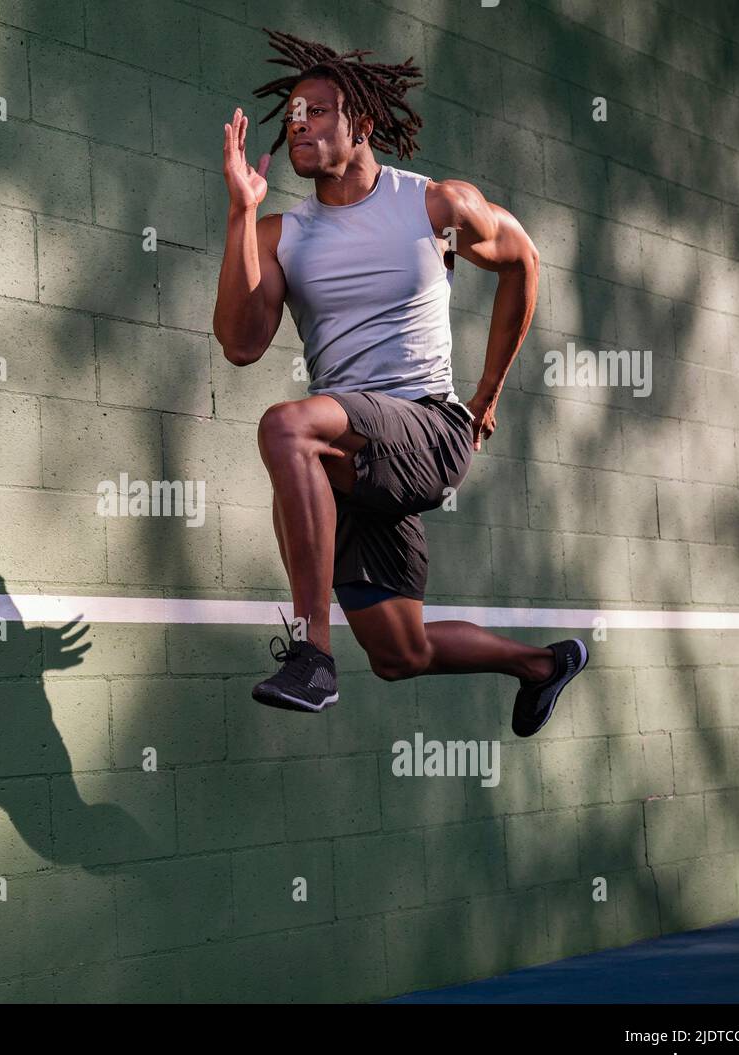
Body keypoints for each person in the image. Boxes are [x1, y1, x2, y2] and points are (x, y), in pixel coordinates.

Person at [212, 29, 587, 736]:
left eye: (318, 110)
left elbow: (523, 262)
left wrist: (488, 394)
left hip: (428, 429)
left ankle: (311, 655)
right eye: (293, 114)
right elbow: (240, 345)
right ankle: (543, 664)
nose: (301, 122)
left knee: (285, 426)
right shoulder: (277, 234)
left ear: (365, 123)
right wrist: (239, 211)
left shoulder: (434, 206)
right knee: (398, 652)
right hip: (354, 453)